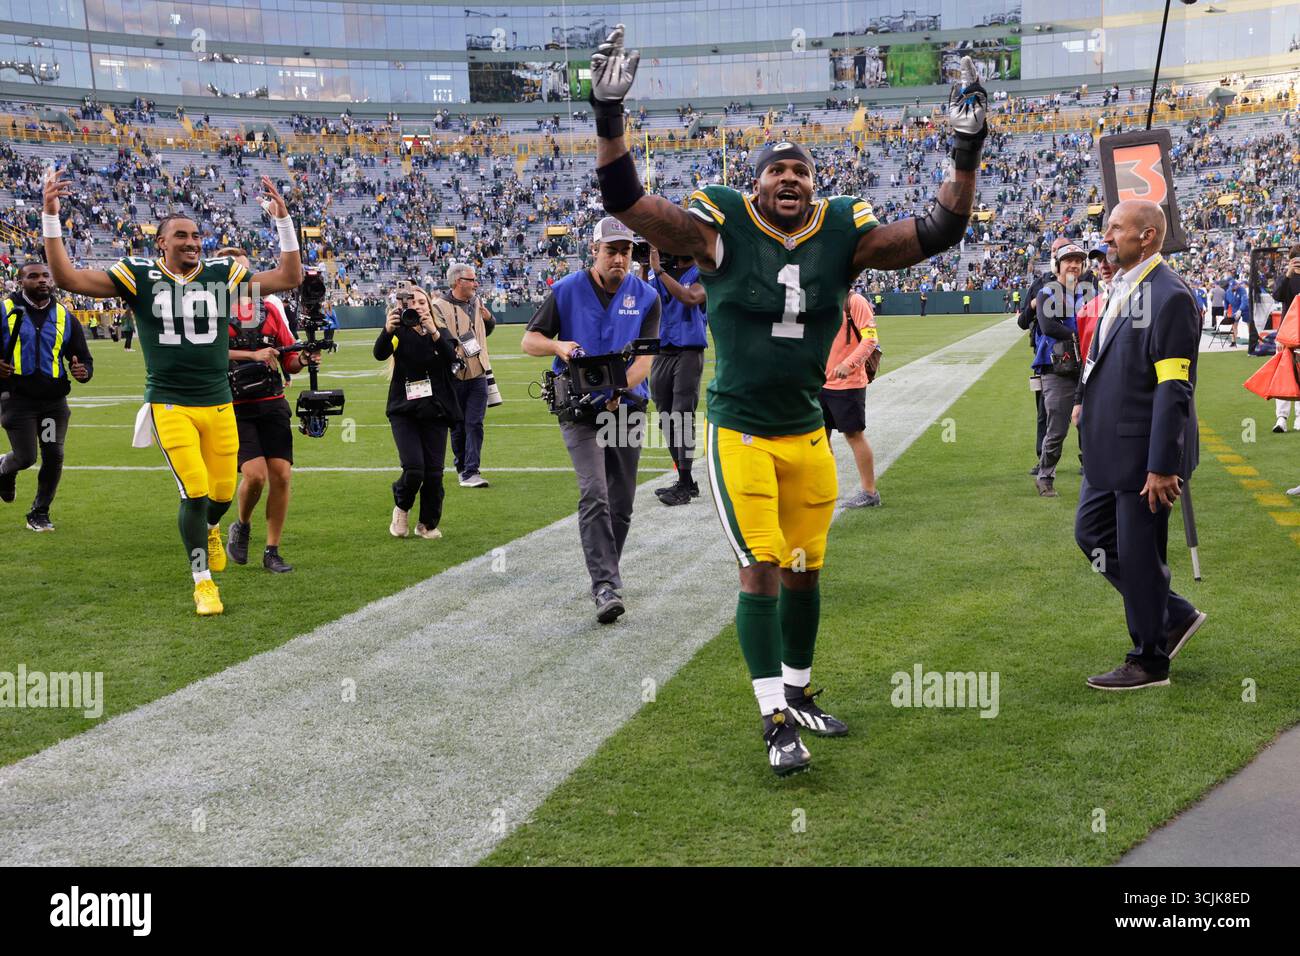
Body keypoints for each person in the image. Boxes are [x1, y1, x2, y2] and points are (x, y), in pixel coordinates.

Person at [587, 25, 986, 774]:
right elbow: (631, 201)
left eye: (802, 170)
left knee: (805, 568)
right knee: (761, 566)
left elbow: (942, 227)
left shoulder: (845, 232)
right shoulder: (720, 230)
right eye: (778, 172)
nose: (791, 179)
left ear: (817, 182)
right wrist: (608, 117)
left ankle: (798, 693)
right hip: (739, 431)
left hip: (807, 432)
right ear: (755, 184)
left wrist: (965, 153)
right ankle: (772, 716)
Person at [42, 170, 302, 616]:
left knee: (222, 495)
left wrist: (283, 221)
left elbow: (289, 276)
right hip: (169, 402)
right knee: (194, 491)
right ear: (160, 242)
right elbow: (67, 278)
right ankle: (202, 581)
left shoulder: (223, 272)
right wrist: (50, 218)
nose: (191, 241)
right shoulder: (138, 274)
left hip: (219, 402)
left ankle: (214, 529)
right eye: (180, 234)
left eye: (196, 234)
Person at [1071, 199, 1205, 691]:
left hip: (1143, 456)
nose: (1105, 237)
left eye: (1115, 228)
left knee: (1139, 553)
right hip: (1110, 452)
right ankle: (1172, 614)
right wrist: (1086, 401)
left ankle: (1149, 660)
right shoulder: (1125, 286)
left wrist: (1162, 465)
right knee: (1092, 534)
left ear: (1147, 236)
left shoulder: (1169, 295)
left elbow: (1174, 387)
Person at [521, 217, 660, 623]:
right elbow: (529, 341)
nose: (618, 258)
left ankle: (607, 574)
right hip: (579, 410)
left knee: (623, 503)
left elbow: (646, 360)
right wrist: (557, 344)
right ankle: (604, 585)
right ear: (594, 251)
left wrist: (617, 391)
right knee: (595, 492)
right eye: (611, 250)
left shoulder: (647, 295)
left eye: (626, 251)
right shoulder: (565, 290)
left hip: (626, 407)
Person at [219, 247, 321, 574]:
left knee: (281, 474)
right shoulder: (209, 310)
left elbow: (288, 359)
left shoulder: (270, 310)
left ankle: (272, 549)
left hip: (271, 402)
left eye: (248, 271)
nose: (245, 278)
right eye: (236, 272)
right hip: (234, 405)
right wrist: (251, 356)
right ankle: (243, 524)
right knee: (255, 475)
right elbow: (205, 355)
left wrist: (302, 359)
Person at [0, 262, 93, 530]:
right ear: (20, 281)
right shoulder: (4, 311)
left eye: (45, 275)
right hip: (17, 398)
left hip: (53, 402)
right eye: (33, 276)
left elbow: (84, 358)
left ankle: (39, 511)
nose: (41, 280)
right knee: (26, 457)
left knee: (53, 454)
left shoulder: (65, 315)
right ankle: (4, 469)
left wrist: (82, 371)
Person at [374, 284, 462, 540]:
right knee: (414, 468)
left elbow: (452, 359)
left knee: (434, 472)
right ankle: (402, 507)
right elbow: (380, 354)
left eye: (422, 302)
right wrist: (388, 329)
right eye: (411, 303)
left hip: (435, 409)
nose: (417, 307)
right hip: (405, 409)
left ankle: (427, 523)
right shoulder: (399, 332)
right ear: (402, 306)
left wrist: (433, 331)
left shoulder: (441, 332)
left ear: (430, 305)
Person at [648, 246, 707, 506]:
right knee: (665, 418)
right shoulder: (664, 272)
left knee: (682, 414)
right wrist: (644, 268)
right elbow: (645, 299)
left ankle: (684, 484)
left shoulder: (704, 272)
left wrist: (658, 270)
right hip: (663, 348)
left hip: (688, 349)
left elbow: (690, 297)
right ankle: (687, 481)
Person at [1032, 241, 1087, 498]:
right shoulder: (1047, 292)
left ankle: (1096, 472)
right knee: (1057, 428)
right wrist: (1081, 336)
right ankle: (1045, 476)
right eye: (1069, 260)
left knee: (1093, 423)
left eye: (1078, 261)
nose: (1074, 265)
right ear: (1058, 265)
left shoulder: (1087, 293)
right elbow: (1047, 325)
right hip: (1057, 368)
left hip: (1085, 367)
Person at [434, 262, 495, 488]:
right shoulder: (438, 306)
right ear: (458, 281)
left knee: (475, 423)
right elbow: (438, 337)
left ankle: (472, 471)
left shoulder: (477, 301)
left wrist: (489, 319)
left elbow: (486, 330)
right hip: (454, 375)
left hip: (479, 370)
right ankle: (462, 468)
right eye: (472, 280)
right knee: (458, 426)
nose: (476, 283)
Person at [821, 292, 880, 508]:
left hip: (848, 383)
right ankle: (825, 488)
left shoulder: (854, 301)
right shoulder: (816, 297)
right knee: (819, 437)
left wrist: (850, 363)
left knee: (854, 435)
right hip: (818, 381)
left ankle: (870, 492)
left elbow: (871, 337)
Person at [1272, 245, 1300, 431]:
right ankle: (1281, 418)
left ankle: (1299, 417)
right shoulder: (1285, 278)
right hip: (1285, 333)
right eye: (1294, 259)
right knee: (1283, 374)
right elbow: (1277, 295)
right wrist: (1289, 274)